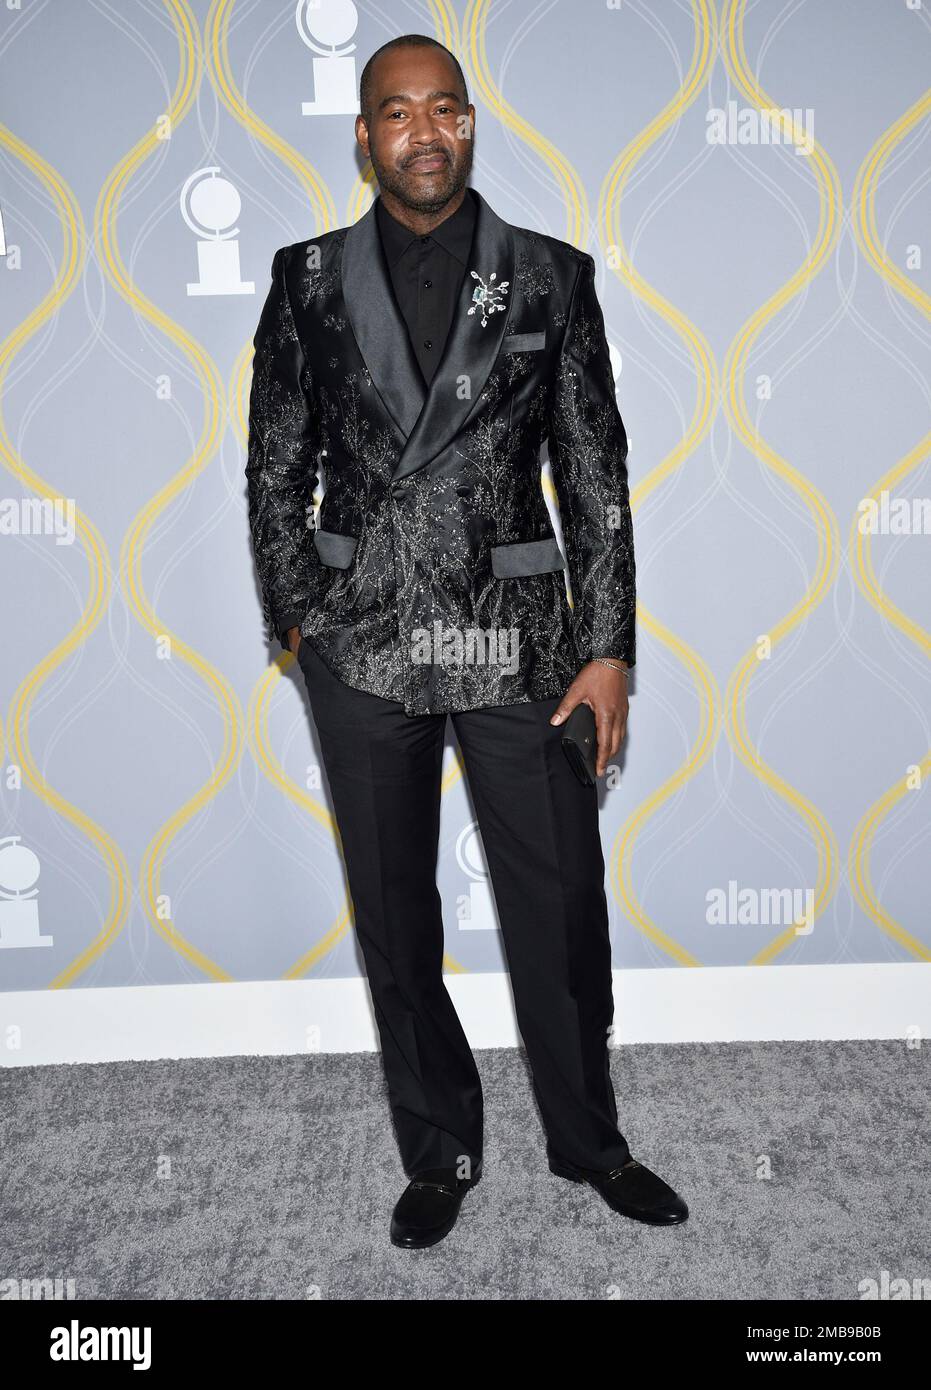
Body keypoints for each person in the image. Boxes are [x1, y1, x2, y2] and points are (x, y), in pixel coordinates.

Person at [246, 33, 688, 1248]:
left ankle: (590, 1143)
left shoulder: (548, 276)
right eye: (397, 112)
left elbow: (596, 473)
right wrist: (300, 621)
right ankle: (438, 1147)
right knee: (395, 914)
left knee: (559, 908)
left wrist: (607, 647)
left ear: (471, 124)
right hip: (366, 639)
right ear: (363, 135)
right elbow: (275, 463)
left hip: (518, 639)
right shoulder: (305, 280)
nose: (423, 132)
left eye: (445, 109)